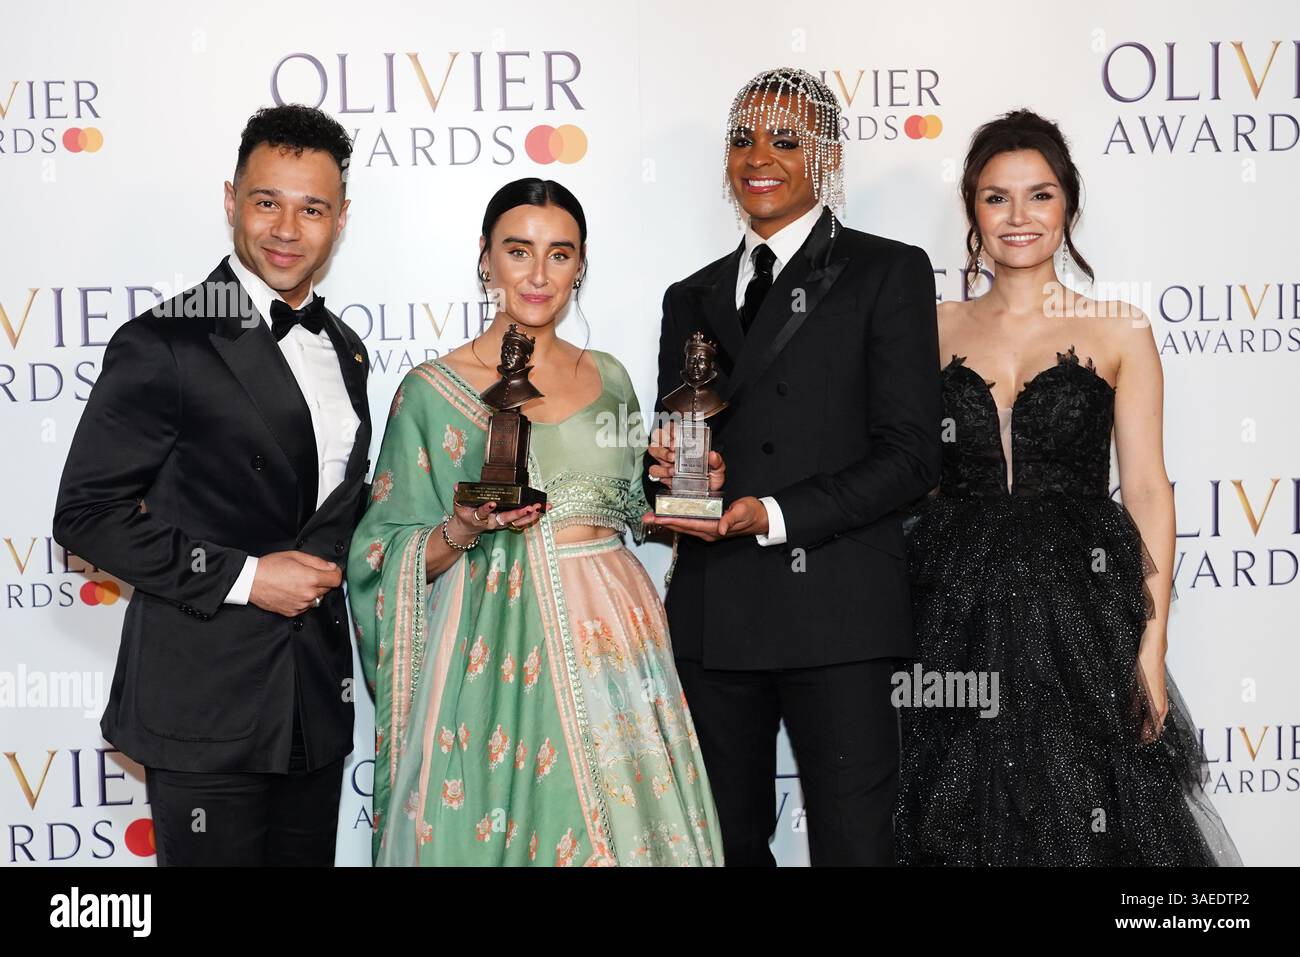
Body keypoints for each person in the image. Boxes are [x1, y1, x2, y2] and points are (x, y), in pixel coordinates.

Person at [895, 109, 1240, 865]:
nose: (1018, 216)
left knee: (1089, 812)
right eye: (996, 197)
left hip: (1078, 613)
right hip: (951, 608)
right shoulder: (927, 327)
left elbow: (1145, 490)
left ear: (1069, 206)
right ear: (972, 210)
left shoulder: (1119, 329)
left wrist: (1152, 646)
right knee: (954, 810)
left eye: (1040, 195)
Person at [348, 178, 724, 866]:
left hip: (615, 640)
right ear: (485, 257)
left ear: (581, 265)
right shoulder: (432, 390)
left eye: (560, 253)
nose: (539, 274)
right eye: (518, 251)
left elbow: (636, 511)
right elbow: (380, 552)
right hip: (490, 650)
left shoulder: (609, 376)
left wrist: (684, 488)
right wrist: (463, 528)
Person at [52, 104, 370, 865]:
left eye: (312, 208)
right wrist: (250, 578)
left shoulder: (346, 348)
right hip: (206, 706)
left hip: (313, 703)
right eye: (266, 202)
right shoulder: (166, 340)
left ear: (340, 219)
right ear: (231, 201)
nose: (287, 229)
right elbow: (85, 514)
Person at [643, 68, 942, 866]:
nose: (758, 157)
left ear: (829, 155)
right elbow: (677, 444)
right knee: (723, 848)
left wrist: (773, 513)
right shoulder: (690, 295)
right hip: (714, 617)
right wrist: (663, 472)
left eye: (786, 139)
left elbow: (913, 455)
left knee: (855, 849)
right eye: (742, 139)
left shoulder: (887, 271)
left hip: (838, 614)